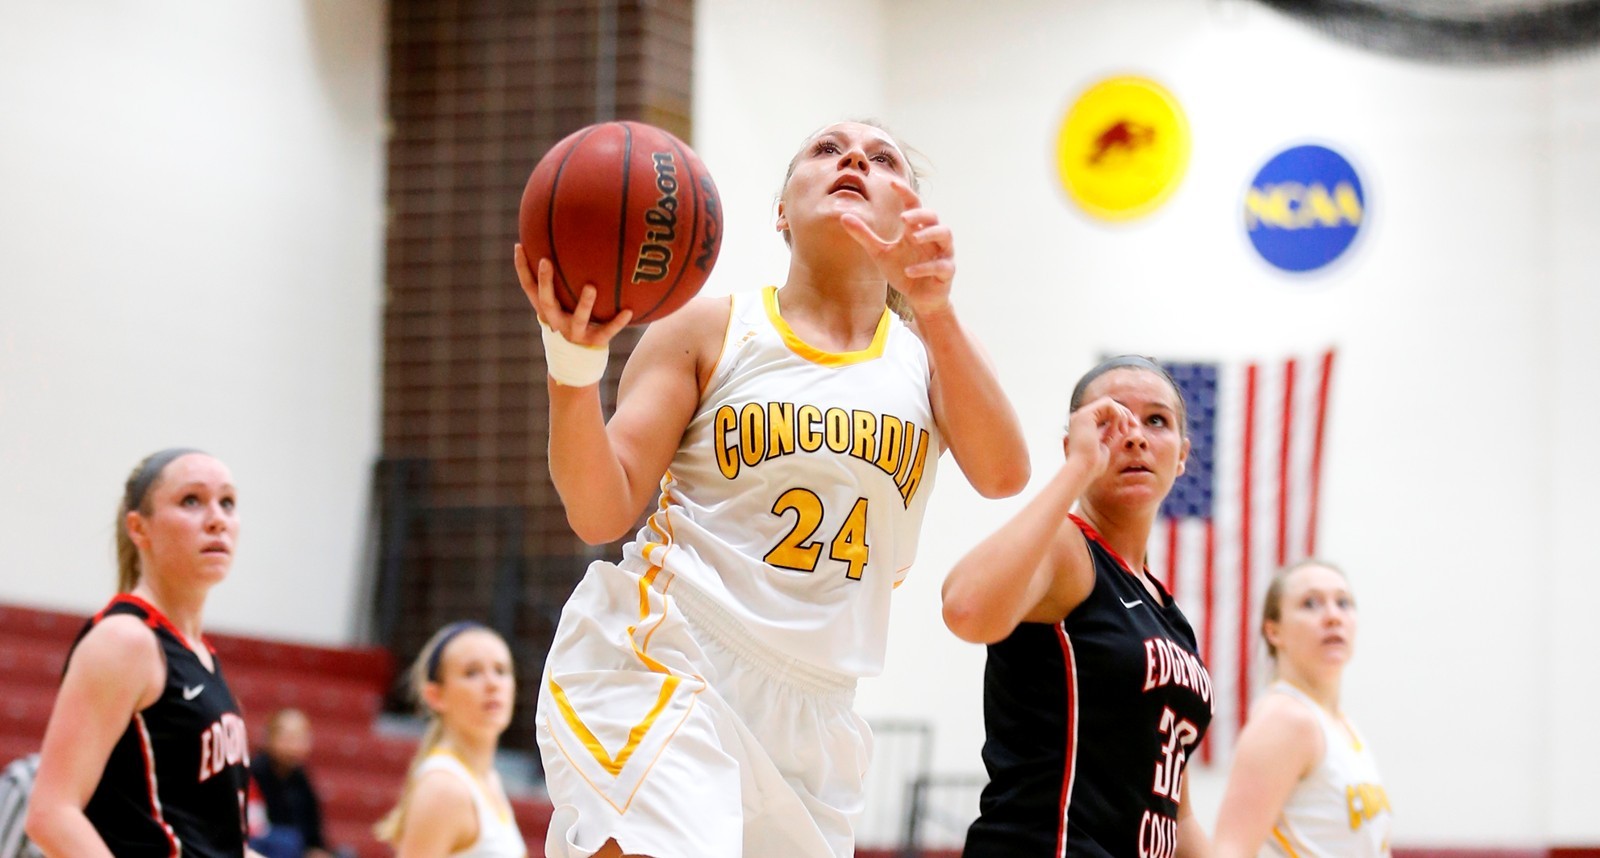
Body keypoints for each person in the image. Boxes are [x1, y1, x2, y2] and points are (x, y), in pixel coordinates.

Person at [513, 119, 1029, 858]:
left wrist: (935, 304)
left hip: (817, 711)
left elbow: (1005, 473)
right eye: (826, 150)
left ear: (909, 214)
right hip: (670, 652)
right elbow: (599, 508)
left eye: (882, 159)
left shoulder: (927, 361)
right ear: (781, 210)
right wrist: (573, 366)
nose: (853, 157)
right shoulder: (710, 329)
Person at [942, 356, 1214, 858]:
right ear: (1074, 442)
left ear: (1181, 456)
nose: (1134, 437)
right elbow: (965, 608)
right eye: (1111, 421)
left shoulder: (1170, 619)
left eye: (1157, 421)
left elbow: (1180, 815)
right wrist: (1078, 469)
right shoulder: (1069, 550)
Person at [24, 448, 255, 857]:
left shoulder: (202, 657)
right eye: (191, 501)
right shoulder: (125, 641)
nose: (217, 519)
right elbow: (52, 814)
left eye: (228, 502)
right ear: (139, 528)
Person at [1212, 560, 1392, 857]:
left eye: (1343, 602)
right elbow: (1230, 850)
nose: (1333, 616)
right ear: (1273, 632)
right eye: (1311, 604)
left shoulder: (1341, 724)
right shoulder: (1286, 719)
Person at [374, 622, 526, 858]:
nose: (493, 684)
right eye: (472, 672)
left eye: (501, 670)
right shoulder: (444, 788)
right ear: (435, 695)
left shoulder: (488, 778)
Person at [249, 709, 346, 858]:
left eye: (301, 737)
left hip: (299, 850)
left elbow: (314, 832)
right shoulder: (253, 774)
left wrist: (317, 850)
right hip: (264, 848)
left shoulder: (301, 778)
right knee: (287, 841)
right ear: (270, 737)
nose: (295, 744)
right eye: (288, 737)